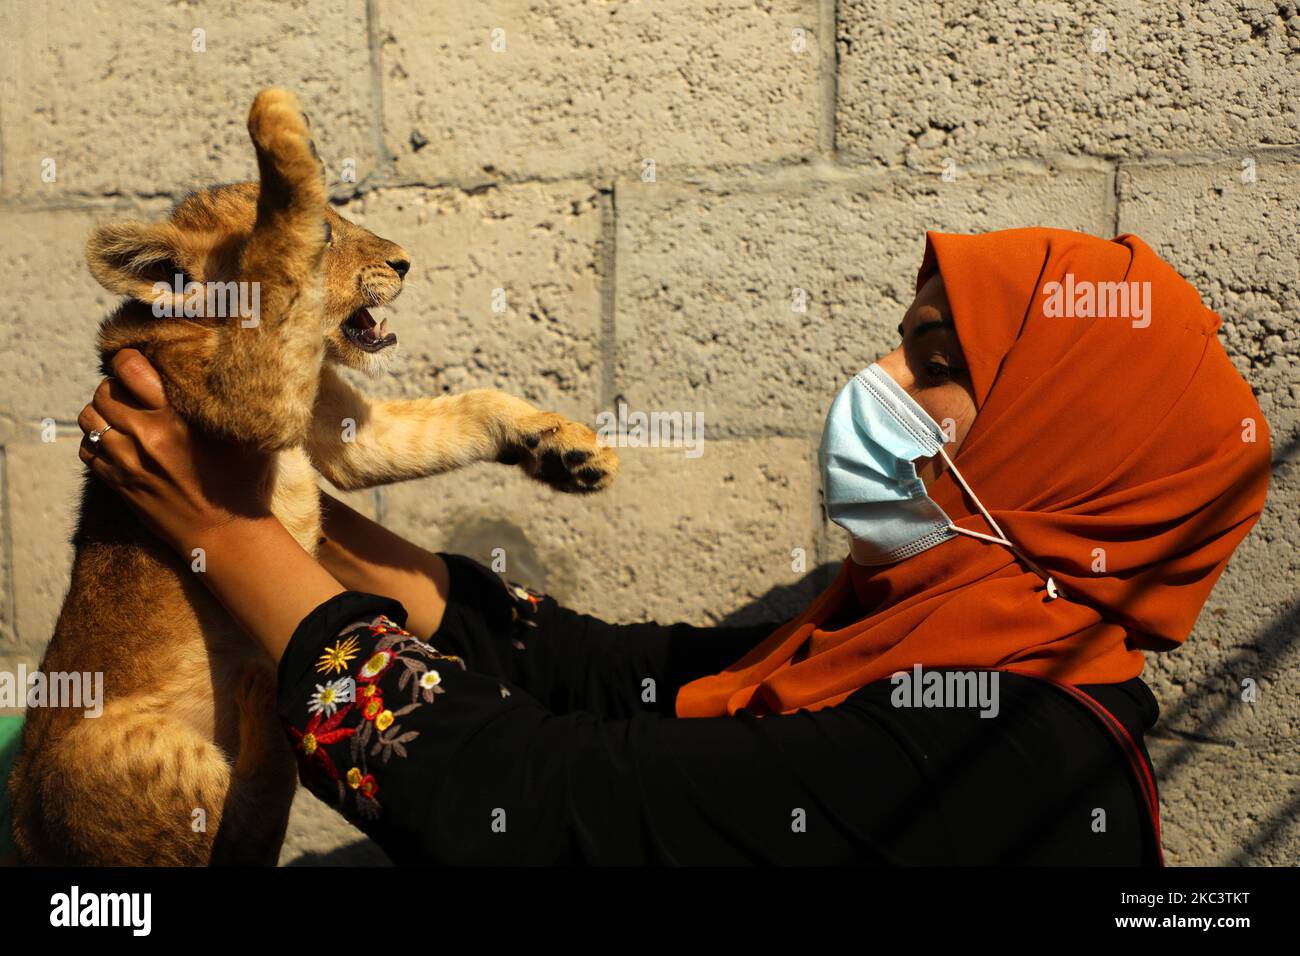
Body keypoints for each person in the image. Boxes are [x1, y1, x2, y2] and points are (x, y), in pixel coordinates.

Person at [76, 227, 1271, 865]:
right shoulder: (902, 639)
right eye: (900, 344)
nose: (879, 383)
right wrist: (289, 507)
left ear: (1070, 449)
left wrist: (224, 534)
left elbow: (529, 806)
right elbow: (633, 675)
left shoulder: (1005, 752)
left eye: (938, 363)